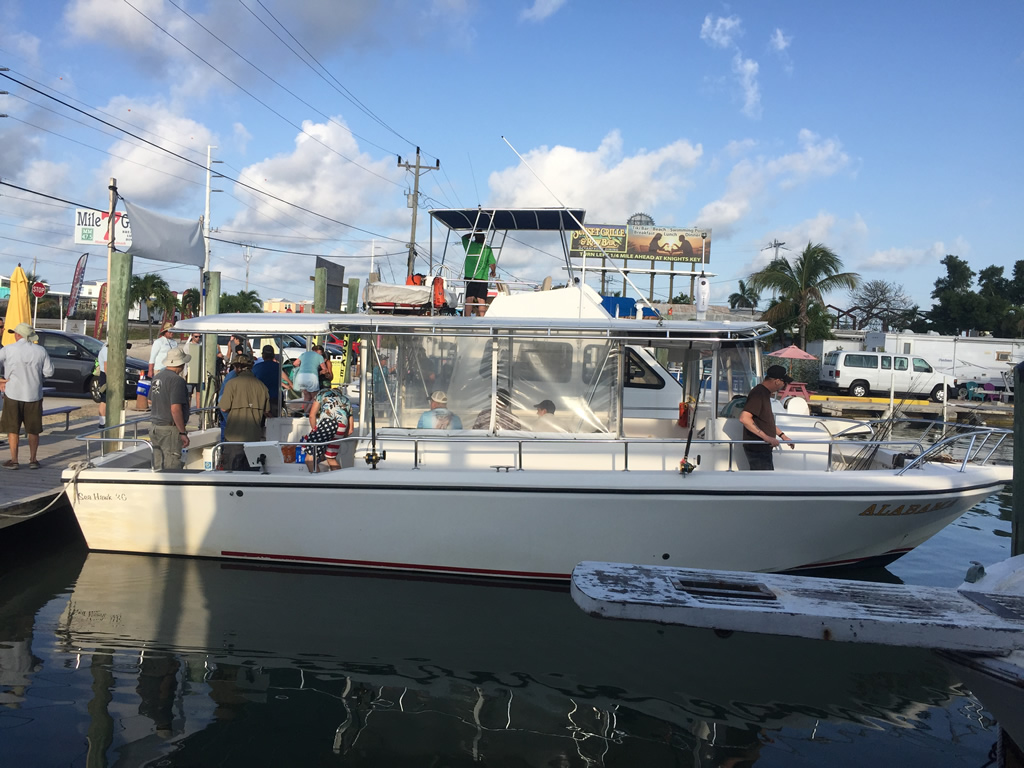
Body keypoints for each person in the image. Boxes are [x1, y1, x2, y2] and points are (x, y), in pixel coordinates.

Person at [0, 323, 54, 470]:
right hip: (34, 394)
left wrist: (1, 379)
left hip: (13, 393)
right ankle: (33, 459)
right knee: (33, 429)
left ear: (18, 335)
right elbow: (49, 372)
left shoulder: (8, 349)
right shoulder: (40, 350)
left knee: (13, 429)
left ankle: (14, 460)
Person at [738, 364, 795, 470]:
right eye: (784, 383)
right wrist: (767, 437)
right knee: (764, 481)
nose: (784, 386)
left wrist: (783, 436)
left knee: (765, 480)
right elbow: (744, 418)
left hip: (762, 447)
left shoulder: (764, 393)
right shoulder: (759, 393)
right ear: (777, 381)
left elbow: (765, 421)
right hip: (758, 447)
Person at [219, 353, 270, 471]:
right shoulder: (262, 386)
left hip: (234, 437)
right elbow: (267, 412)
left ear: (237, 368)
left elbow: (224, 408)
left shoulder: (232, 384)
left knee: (231, 474)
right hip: (254, 438)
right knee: (251, 475)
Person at [149, 346, 191, 471]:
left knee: (158, 465)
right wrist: (182, 432)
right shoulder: (177, 381)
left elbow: (150, 399)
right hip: (169, 428)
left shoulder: (157, 377)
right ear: (181, 364)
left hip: (155, 427)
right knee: (172, 465)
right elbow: (175, 408)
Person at [302, 387, 352, 472]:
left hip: (328, 423)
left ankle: (318, 482)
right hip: (341, 427)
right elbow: (351, 430)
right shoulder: (346, 400)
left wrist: (315, 430)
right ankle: (339, 481)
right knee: (330, 458)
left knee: (309, 459)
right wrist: (338, 437)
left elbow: (311, 416)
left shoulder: (322, 393)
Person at [461, 232, 496, 317]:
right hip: (482, 278)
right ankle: (482, 317)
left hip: (469, 277)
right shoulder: (487, 249)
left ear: (475, 238)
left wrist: (473, 233)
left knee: (469, 298)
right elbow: (492, 264)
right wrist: (493, 271)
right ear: (484, 239)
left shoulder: (469, 246)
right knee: (481, 299)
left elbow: (463, 238)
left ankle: (467, 317)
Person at [252, 345, 286, 417]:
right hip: (276, 398)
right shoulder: (278, 367)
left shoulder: (257, 367)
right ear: (273, 355)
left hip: (260, 399)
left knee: (259, 423)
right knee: (275, 422)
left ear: (263, 355)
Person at [184, 332, 202, 408]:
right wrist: (185, 373)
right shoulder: (187, 346)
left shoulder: (202, 345)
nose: (198, 338)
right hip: (190, 373)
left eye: (199, 336)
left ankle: (198, 408)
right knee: (189, 392)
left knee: (199, 391)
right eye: (196, 336)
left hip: (199, 372)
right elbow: (185, 360)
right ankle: (188, 408)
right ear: (192, 336)